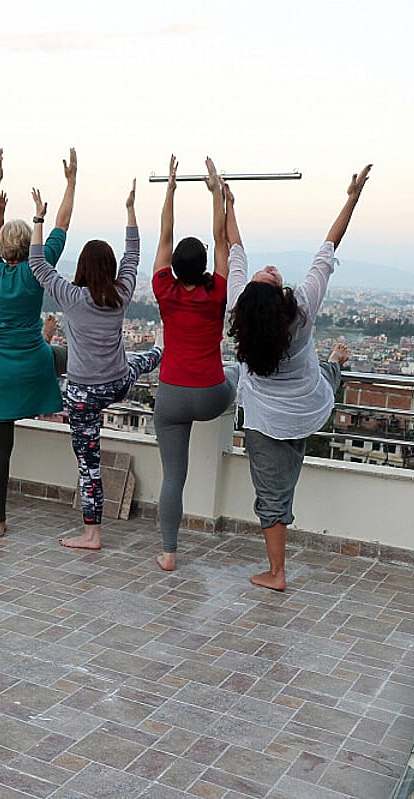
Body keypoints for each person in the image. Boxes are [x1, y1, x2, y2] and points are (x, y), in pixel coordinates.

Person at [226, 165, 371, 591]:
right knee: (323, 373)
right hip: (310, 404)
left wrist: (226, 203)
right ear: (279, 297)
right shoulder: (302, 309)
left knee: (271, 496)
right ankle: (336, 362)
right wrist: (352, 197)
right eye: (270, 274)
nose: (268, 267)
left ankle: (276, 573)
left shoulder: (240, 310)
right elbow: (329, 246)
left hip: (267, 419)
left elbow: (235, 248)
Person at [30, 180, 161, 550]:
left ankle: (92, 534)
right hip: (118, 382)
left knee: (89, 464)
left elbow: (37, 263)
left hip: (84, 393)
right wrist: (131, 211)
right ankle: (161, 352)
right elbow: (133, 256)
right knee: (139, 361)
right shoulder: (119, 294)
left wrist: (39, 218)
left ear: (84, 268)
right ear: (109, 268)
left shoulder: (72, 297)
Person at [0, 149, 74, 538]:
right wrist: (70, 183)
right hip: (34, 361)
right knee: (74, 359)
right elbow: (62, 227)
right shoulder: (37, 269)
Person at [151, 155, 236, 571]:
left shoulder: (164, 289)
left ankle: (168, 552)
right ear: (202, 267)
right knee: (238, 374)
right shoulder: (216, 292)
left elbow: (164, 235)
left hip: (171, 396)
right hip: (211, 395)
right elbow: (223, 242)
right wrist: (217, 192)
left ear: (174, 268)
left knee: (173, 477)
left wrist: (170, 189)